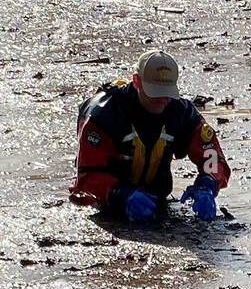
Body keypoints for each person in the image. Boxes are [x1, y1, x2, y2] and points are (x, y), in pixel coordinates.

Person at [71, 50, 230, 222]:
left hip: (156, 198)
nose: (163, 99)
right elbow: (87, 178)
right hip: (107, 201)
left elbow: (211, 155)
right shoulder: (103, 115)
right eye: (155, 92)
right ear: (137, 81)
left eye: (167, 92)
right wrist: (120, 194)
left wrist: (208, 184)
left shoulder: (181, 113)